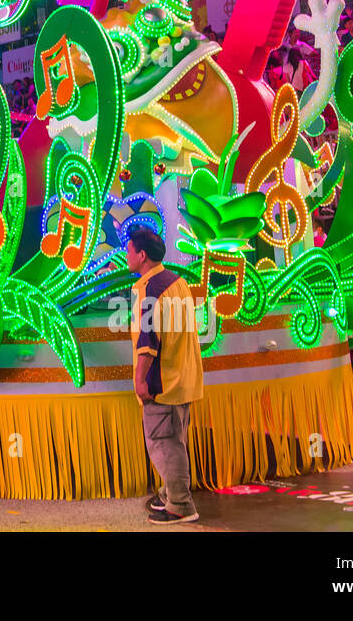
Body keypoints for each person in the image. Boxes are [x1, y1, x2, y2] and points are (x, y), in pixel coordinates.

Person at [127, 225, 203, 525]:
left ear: (141, 254)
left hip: (163, 382)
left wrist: (140, 379)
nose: (127, 255)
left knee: (163, 443)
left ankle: (181, 505)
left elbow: (148, 340)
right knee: (175, 440)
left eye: (130, 250)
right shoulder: (177, 281)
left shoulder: (149, 288)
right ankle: (170, 493)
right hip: (183, 378)